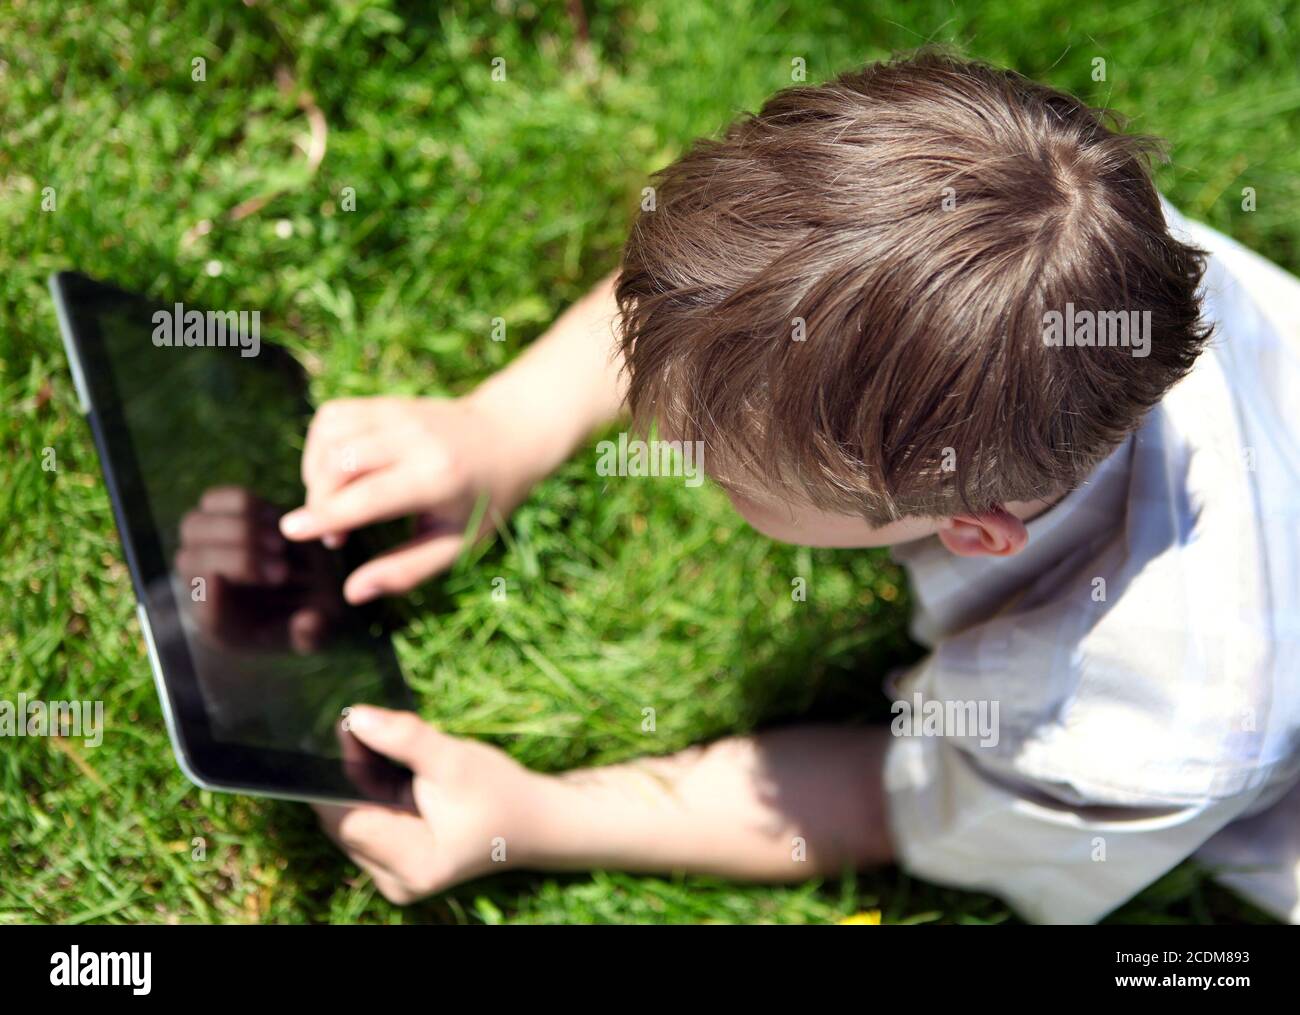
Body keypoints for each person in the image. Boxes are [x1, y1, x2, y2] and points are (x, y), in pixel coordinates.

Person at [277, 51, 1300, 923]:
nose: (666, 445)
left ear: (973, 531)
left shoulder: (1121, 724)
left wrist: (532, 816)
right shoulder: (1064, 229)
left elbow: (883, 797)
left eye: (723, 469)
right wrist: (501, 425)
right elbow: (729, 306)